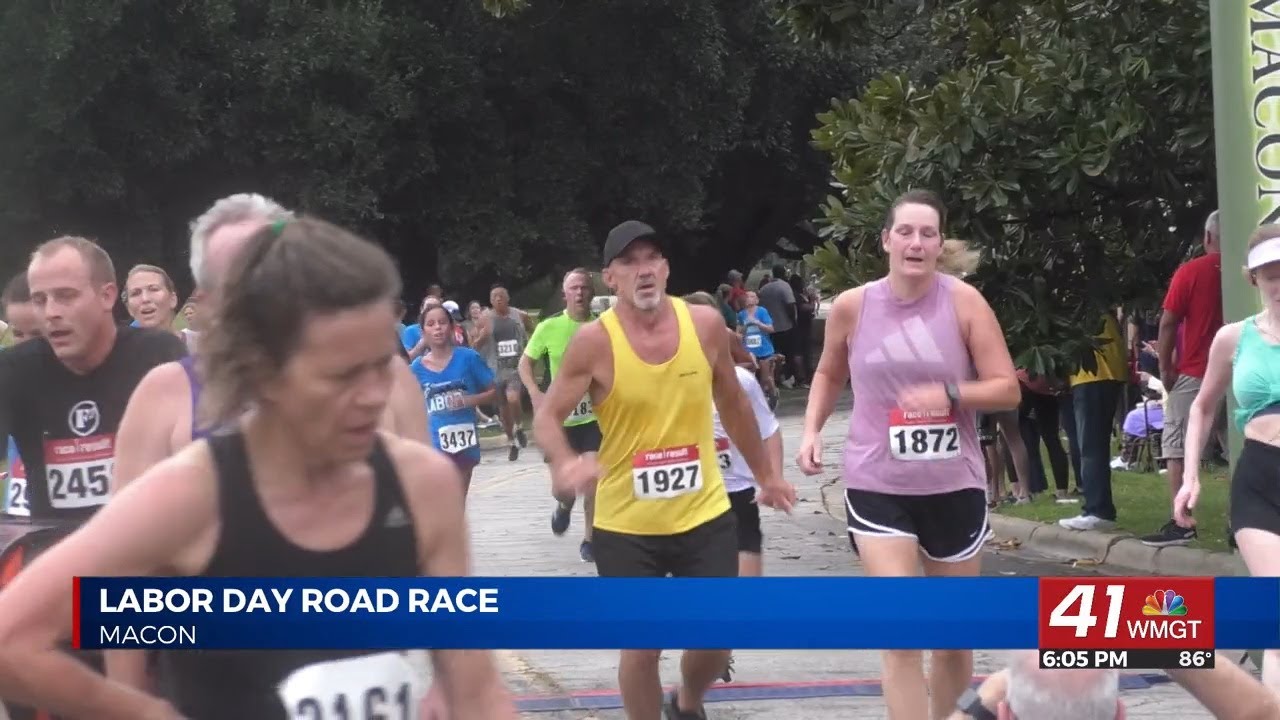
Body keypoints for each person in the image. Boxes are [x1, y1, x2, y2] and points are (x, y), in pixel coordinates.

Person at [0, 216, 517, 720]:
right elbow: (13, 640)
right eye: (339, 375)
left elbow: (475, 688)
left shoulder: (422, 484)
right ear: (264, 372)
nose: (372, 397)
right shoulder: (191, 495)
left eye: (380, 366)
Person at [108, 193, 429, 692]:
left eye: (269, 270)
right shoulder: (165, 395)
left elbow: (430, 540)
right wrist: (131, 701)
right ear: (206, 297)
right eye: (236, 279)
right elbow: (123, 576)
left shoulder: (387, 380)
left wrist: (446, 679)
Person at [532, 220, 795, 720]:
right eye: (629, 262)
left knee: (718, 636)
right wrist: (565, 462)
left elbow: (734, 403)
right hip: (626, 525)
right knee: (641, 645)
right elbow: (547, 416)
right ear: (610, 278)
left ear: (667, 269)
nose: (644, 270)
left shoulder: (704, 325)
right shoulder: (594, 342)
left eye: (652, 258)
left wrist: (767, 475)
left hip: (703, 513)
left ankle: (688, 700)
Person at [796, 190, 1020, 720]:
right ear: (886, 241)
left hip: (952, 485)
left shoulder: (964, 302)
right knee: (901, 632)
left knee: (952, 639)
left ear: (939, 244)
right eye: (905, 232)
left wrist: (950, 394)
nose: (916, 243)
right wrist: (810, 430)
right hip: (878, 483)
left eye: (927, 233)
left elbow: (1007, 388)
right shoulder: (853, 306)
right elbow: (828, 372)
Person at [0, 236, 188, 719]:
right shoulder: (15, 370)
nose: (51, 313)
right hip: (59, 567)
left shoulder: (157, 354)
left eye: (65, 296)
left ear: (107, 295)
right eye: (40, 299)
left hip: (153, 574)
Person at [1176, 223, 1280, 694]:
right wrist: (1190, 477)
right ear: (1252, 278)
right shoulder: (1234, 338)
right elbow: (1202, 406)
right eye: (1270, 274)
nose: (1279, 283)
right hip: (1259, 481)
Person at [1143, 210, 1226, 547]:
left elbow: (1168, 322)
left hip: (1197, 372)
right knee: (1244, 447)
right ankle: (1245, 523)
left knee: (1178, 448)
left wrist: (1165, 368)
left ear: (1207, 237)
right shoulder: (1251, 272)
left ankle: (1182, 521)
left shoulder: (1192, 271)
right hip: (1242, 371)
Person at [518, 268, 601, 563]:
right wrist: (534, 393)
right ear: (564, 294)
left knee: (592, 481)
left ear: (591, 293)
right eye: (573, 288)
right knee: (563, 489)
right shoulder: (548, 327)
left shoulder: (603, 327)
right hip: (560, 421)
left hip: (593, 419)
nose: (579, 293)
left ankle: (590, 539)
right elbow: (524, 364)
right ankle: (564, 506)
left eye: (584, 288)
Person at [410, 303, 496, 495]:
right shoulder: (416, 368)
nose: (438, 328)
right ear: (423, 332)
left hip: (464, 442)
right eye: (431, 324)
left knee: (456, 501)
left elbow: (494, 393)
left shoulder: (469, 358)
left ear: (451, 327)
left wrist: (469, 400)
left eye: (442, 322)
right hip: (433, 443)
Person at [1057, 310, 1128, 532]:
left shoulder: (1080, 304)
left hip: (1093, 374)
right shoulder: (1094, 304)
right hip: (1098, 373)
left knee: (1090, 445)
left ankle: (1098, 510)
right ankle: (1098, 507)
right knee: (1090, 444)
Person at [473, 283, 530, 461]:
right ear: (490, 301)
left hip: (514, 367)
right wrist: (482, 337)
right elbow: (474, 346)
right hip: (495, 369)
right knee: (503, 410)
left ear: (507, 298)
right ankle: (511, 442)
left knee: (513, 398)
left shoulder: (519, 315)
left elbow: (533, 332)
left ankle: (519, 426)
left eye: (501, 296)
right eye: (494, 297)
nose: (498, 299)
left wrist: (529, 351)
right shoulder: (485, 319)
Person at [1, 272, 41, 525]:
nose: (26, 347)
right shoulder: (9, 375)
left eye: (37, 335)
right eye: (18, 334)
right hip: (18, 523)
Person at [123, 264, 193, 350]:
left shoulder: (203, 345)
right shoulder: (121, 353)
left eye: (153, 289)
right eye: (135, 293)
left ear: (173, 299)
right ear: (129, 308)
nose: (145, 299)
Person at [758, 264, 800, 386]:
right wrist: (794, 321)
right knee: (788, 354)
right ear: (783, 273)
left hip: (769, 328)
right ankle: (788, 377)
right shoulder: (784, 286)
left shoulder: (765, 288)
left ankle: (773, 377)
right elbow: (790, 305)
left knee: (771, 354)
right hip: (784, 326)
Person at [737, 290, 778, 405]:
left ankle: (772, 395)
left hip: (764, 348)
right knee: (750, 377)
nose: (748, 298)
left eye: (751, 296)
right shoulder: (741, 314)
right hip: (749, 350)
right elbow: (738, 333)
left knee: (765, 378)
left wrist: (757, 323)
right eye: (746, 296)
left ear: (756, 300)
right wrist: (744, 328)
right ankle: (754, 400)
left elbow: (771, 329)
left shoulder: (762, 311)